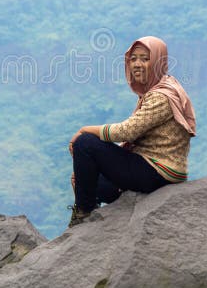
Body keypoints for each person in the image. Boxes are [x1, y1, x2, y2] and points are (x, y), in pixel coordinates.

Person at [67, 36, 196, 227]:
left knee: (85, 143)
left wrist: (86, 130)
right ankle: (97, 208)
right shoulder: (160, 89)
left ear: (159, 62)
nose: (137, 64)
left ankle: (84, 213)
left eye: (145, 59)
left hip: (156, 170)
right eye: (133, 59)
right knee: (83, 178)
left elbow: (128, 131)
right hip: (153, 169)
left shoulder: (161, 97)